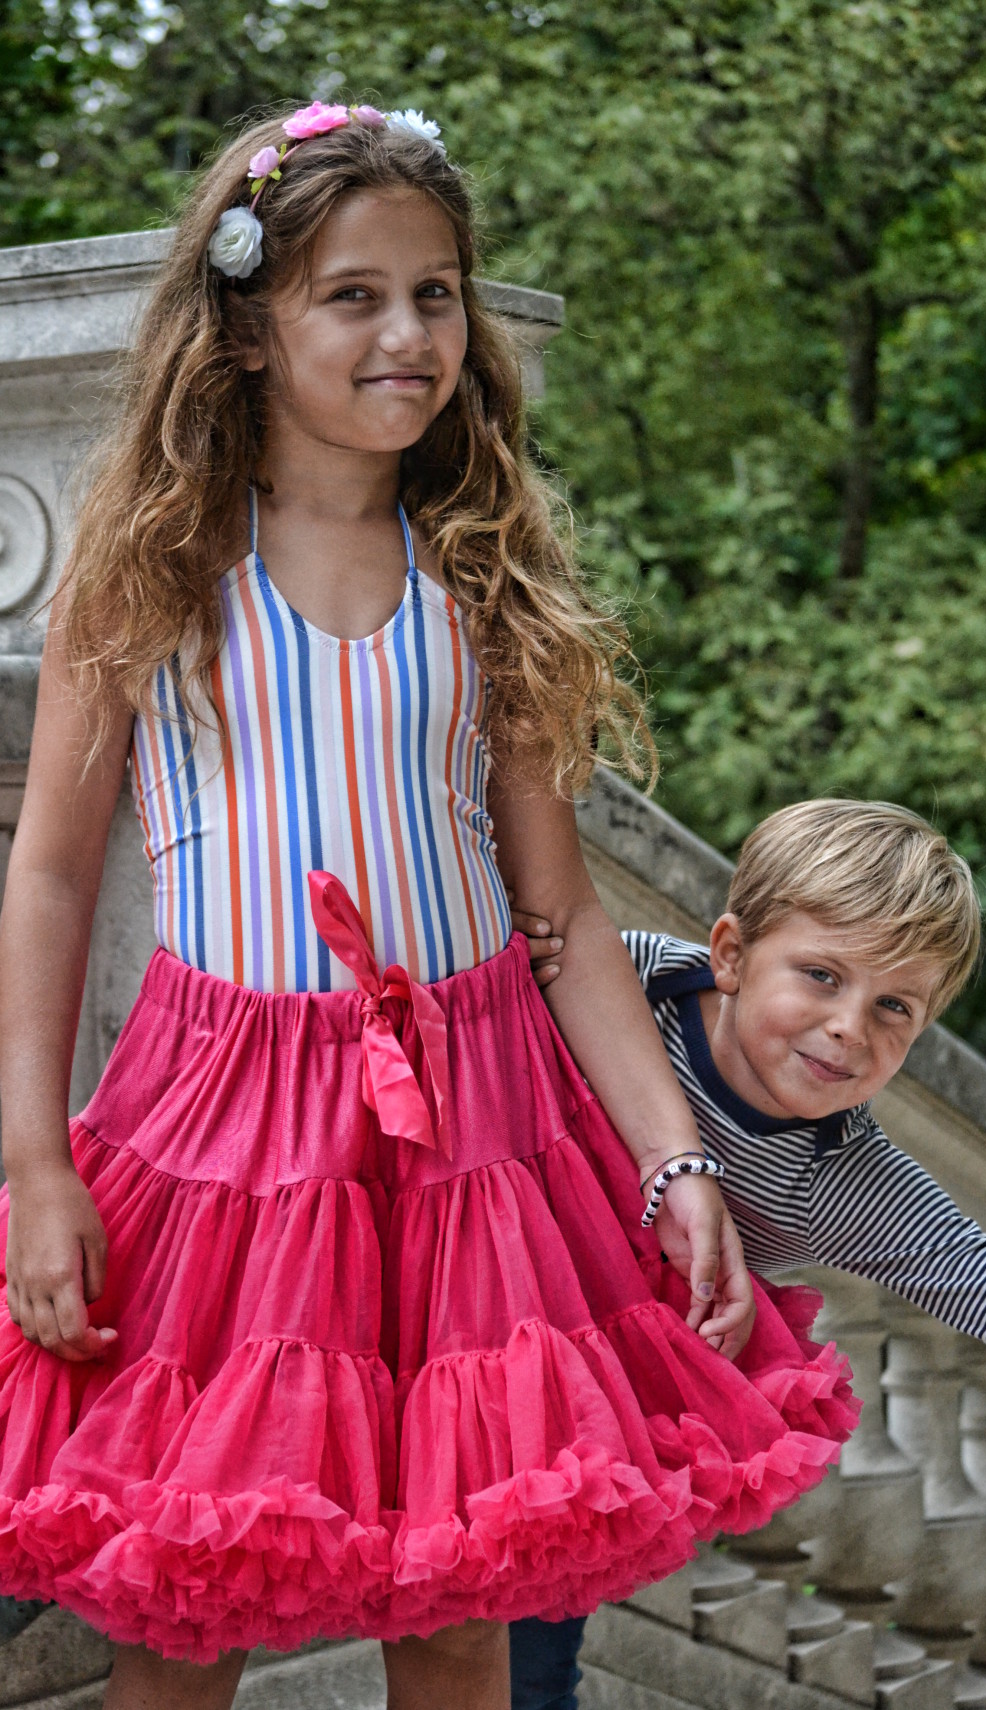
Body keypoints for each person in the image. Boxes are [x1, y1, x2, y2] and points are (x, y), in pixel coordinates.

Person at [0, 105, 860, 1710]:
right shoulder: (153, 574)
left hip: (478, 1128)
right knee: (189, 1603)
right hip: (223, 1132)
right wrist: (36, 1160)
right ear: (247, 325)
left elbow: (566, 918)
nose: (410, 333)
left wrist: (674, 1155)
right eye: (355, 295)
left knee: (462, 1604)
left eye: (440, 292)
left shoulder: (480, 573)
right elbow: (47, 871)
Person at [510, 796, 986, 1710]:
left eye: (895, 1006)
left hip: (565, 1452)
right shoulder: (610, 986)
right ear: (729, 954)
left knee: (527, 1671)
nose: (852, 1025)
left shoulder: (842, 1180)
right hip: (444, 1333)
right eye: (820, 975)